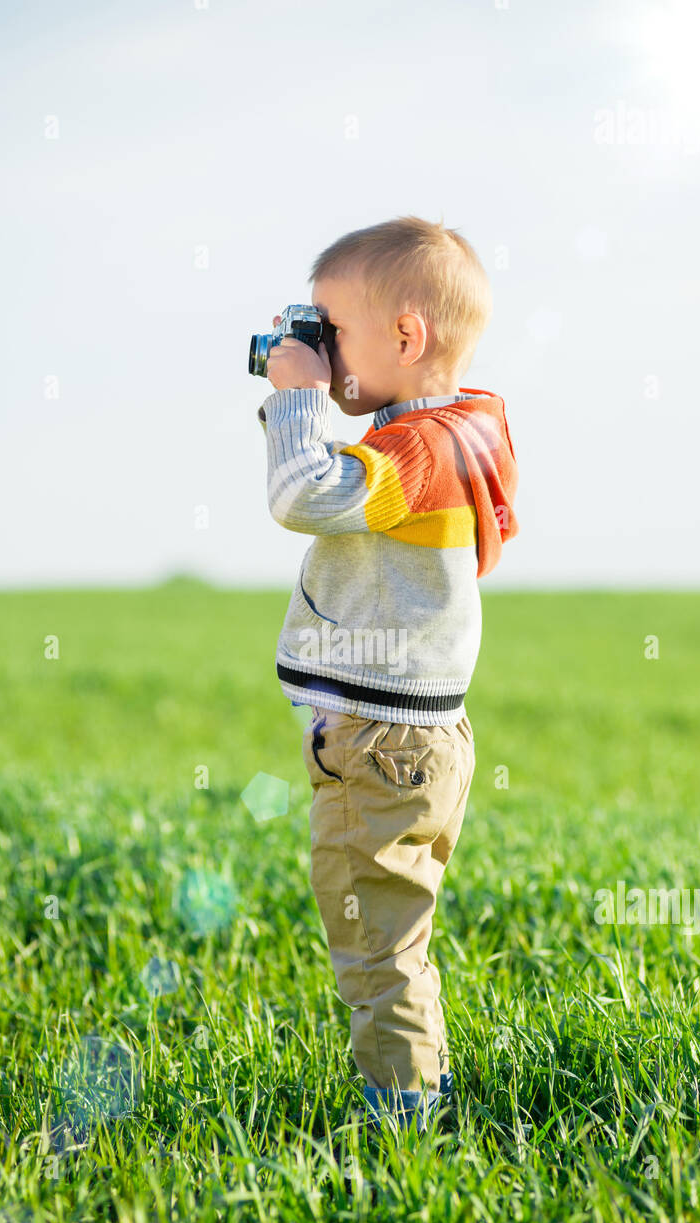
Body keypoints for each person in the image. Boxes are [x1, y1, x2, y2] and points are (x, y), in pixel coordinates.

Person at [257, 215, 519, 1134]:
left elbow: (302, 497)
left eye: (330, 331)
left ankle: (400, 1125)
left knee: (378, 946)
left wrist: (296, 402)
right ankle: (416, 1090)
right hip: (419, 738)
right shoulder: (465, 432)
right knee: (394, 935)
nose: (316, 351)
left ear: (406, 336)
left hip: (381, 743)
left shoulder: (416, 450)